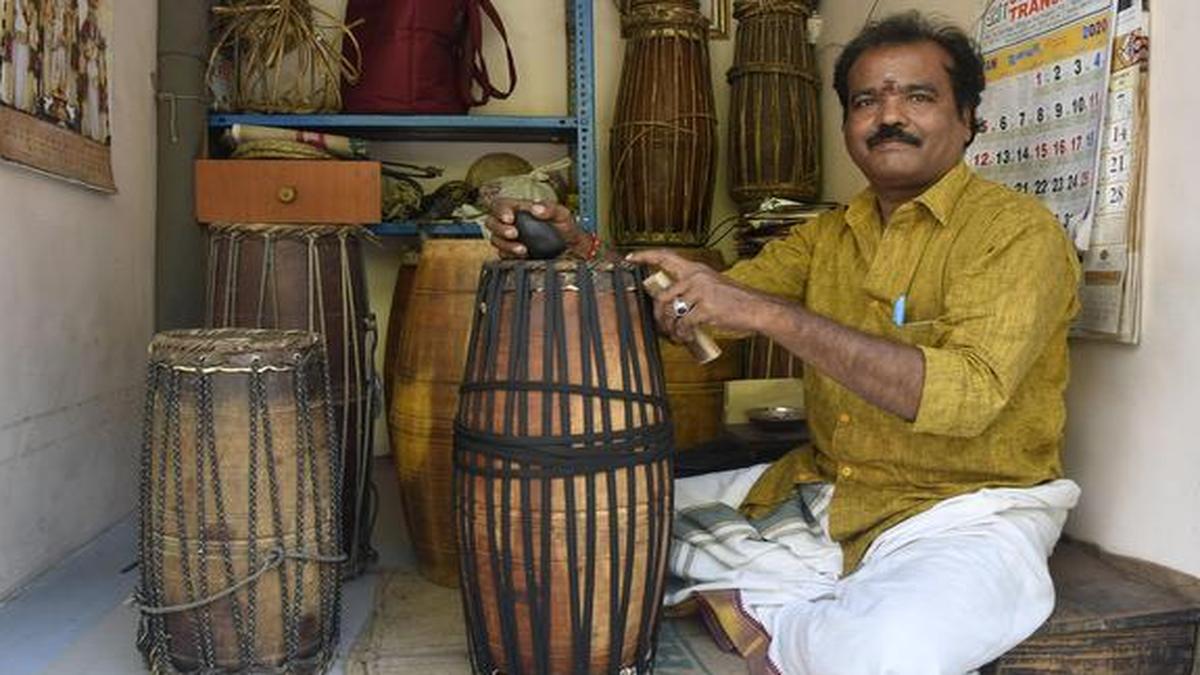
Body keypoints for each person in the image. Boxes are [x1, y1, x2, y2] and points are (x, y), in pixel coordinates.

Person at [485, 11, 1081, 675]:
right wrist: (585, 252)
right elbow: (714, 302)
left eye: (918, 95)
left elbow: (965, 397)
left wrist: (776, 316)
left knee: (884, 655)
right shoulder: (829, 235)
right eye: (866, 100)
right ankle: (799, 601)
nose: (889, 115)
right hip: (829, 488)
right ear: (848, 123)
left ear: (967, 117)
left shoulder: (1018, 235)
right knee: (590, 519)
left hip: (964, 512)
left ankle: (772, 605)